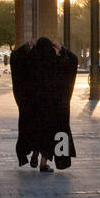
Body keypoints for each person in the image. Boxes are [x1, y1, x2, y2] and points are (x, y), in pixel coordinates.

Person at [31, 37, 78, 172]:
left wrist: (29, 46)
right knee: (51, 133)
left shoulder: (32, 63)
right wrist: (61, 48)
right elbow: (73, 60)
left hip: (36, 105)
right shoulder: (56, 62)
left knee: (38, 131)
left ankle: (35, 152)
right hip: (54, 106)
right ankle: (43, 163)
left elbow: (17, 60)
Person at [10, 40, 39, 167]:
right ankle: (36, 154)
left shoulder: (22, 64)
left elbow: (15, 57)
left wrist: (26, 45)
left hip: (25, 101)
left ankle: (23, 154)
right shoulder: (42, 63)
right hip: (40, 103)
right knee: (40, 129)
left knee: (25, 128)